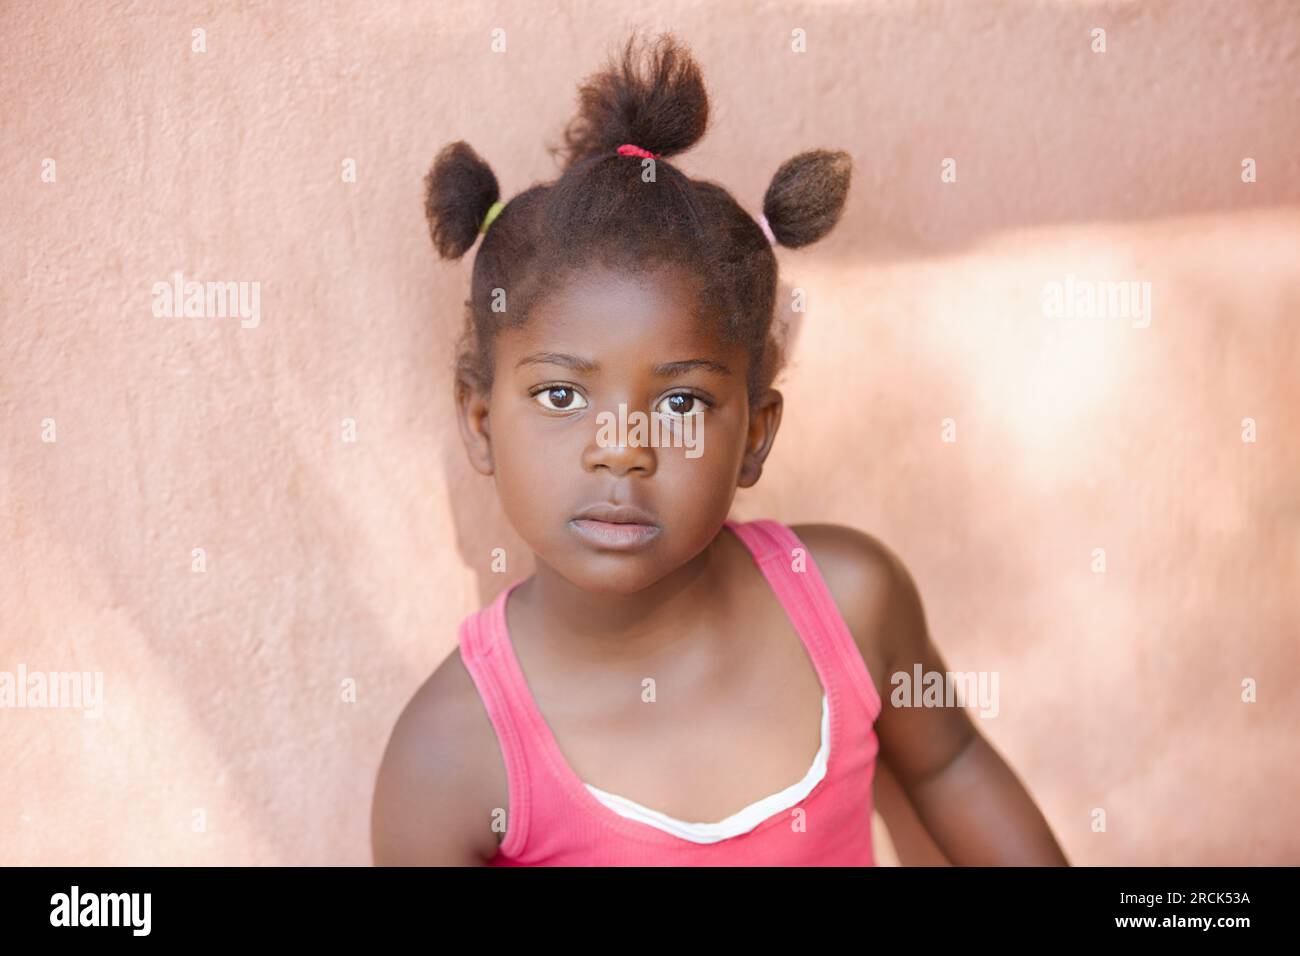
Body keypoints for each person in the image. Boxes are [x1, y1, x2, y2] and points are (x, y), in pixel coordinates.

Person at [371, 30, 1068, 866]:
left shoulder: (850, 603)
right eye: (561, 395)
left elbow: (951, 766)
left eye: (680, 401)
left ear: (756, 435)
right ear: (481, 423)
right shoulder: (450, 761)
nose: (621, 451)